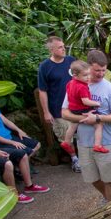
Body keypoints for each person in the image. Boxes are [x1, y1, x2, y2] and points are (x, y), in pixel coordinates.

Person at [61, 50, 111, 202]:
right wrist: (84, 119)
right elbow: (64, 113)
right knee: (91, 178)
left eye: (104, 70)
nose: (101, 74)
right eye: (97, 70)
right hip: (84, 142)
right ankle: (108, 199)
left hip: (106, 141)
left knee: (109, 178)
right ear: (88, 67)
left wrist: (97, 118)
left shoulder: (110, 89)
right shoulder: (74, 85)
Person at [37, 35, 80, 172]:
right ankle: (75, 159)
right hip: (58, 109)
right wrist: (46, 112)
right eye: (60, 47)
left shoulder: (71, 61)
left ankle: (86, 158)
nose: (63, 49)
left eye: (63, 46)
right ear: (52, 49)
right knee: (65, 136)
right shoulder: (45, 67)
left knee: (83, 133)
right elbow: (42, 91)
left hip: (77, 106)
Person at [59, 60, 108, 154]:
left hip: (73, 109)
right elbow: (85, 101)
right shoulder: (82, 86)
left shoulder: (70, 83)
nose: (88, 77)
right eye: (85, 75)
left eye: (88, 74)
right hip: (83, 109)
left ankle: (66, 142)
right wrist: (96, 103)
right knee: (99, 124)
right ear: (75, 75)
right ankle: (97, 145)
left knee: (72, 126)